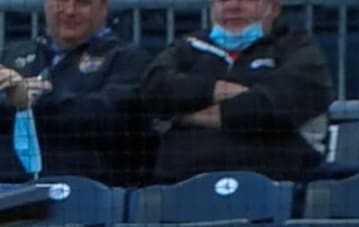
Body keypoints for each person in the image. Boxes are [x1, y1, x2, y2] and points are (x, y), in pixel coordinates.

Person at [0, 0, 153, 188]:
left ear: (104, 7)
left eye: (83, 3)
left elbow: (113, 118)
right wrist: (3, 101)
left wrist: (34, 100)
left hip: (82, 194)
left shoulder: (127, 59)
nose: (70, 11)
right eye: (61, 1)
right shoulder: (13, 55)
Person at [139, 0, 333, 182]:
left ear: (274, 7)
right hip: (178, 190)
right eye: (222, 0)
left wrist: (183, 114)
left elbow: (270, 106)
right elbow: (153, 88)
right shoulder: (188, 47)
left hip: (274, 188)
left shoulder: (300, 49)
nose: (232, 6)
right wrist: (220, 91)